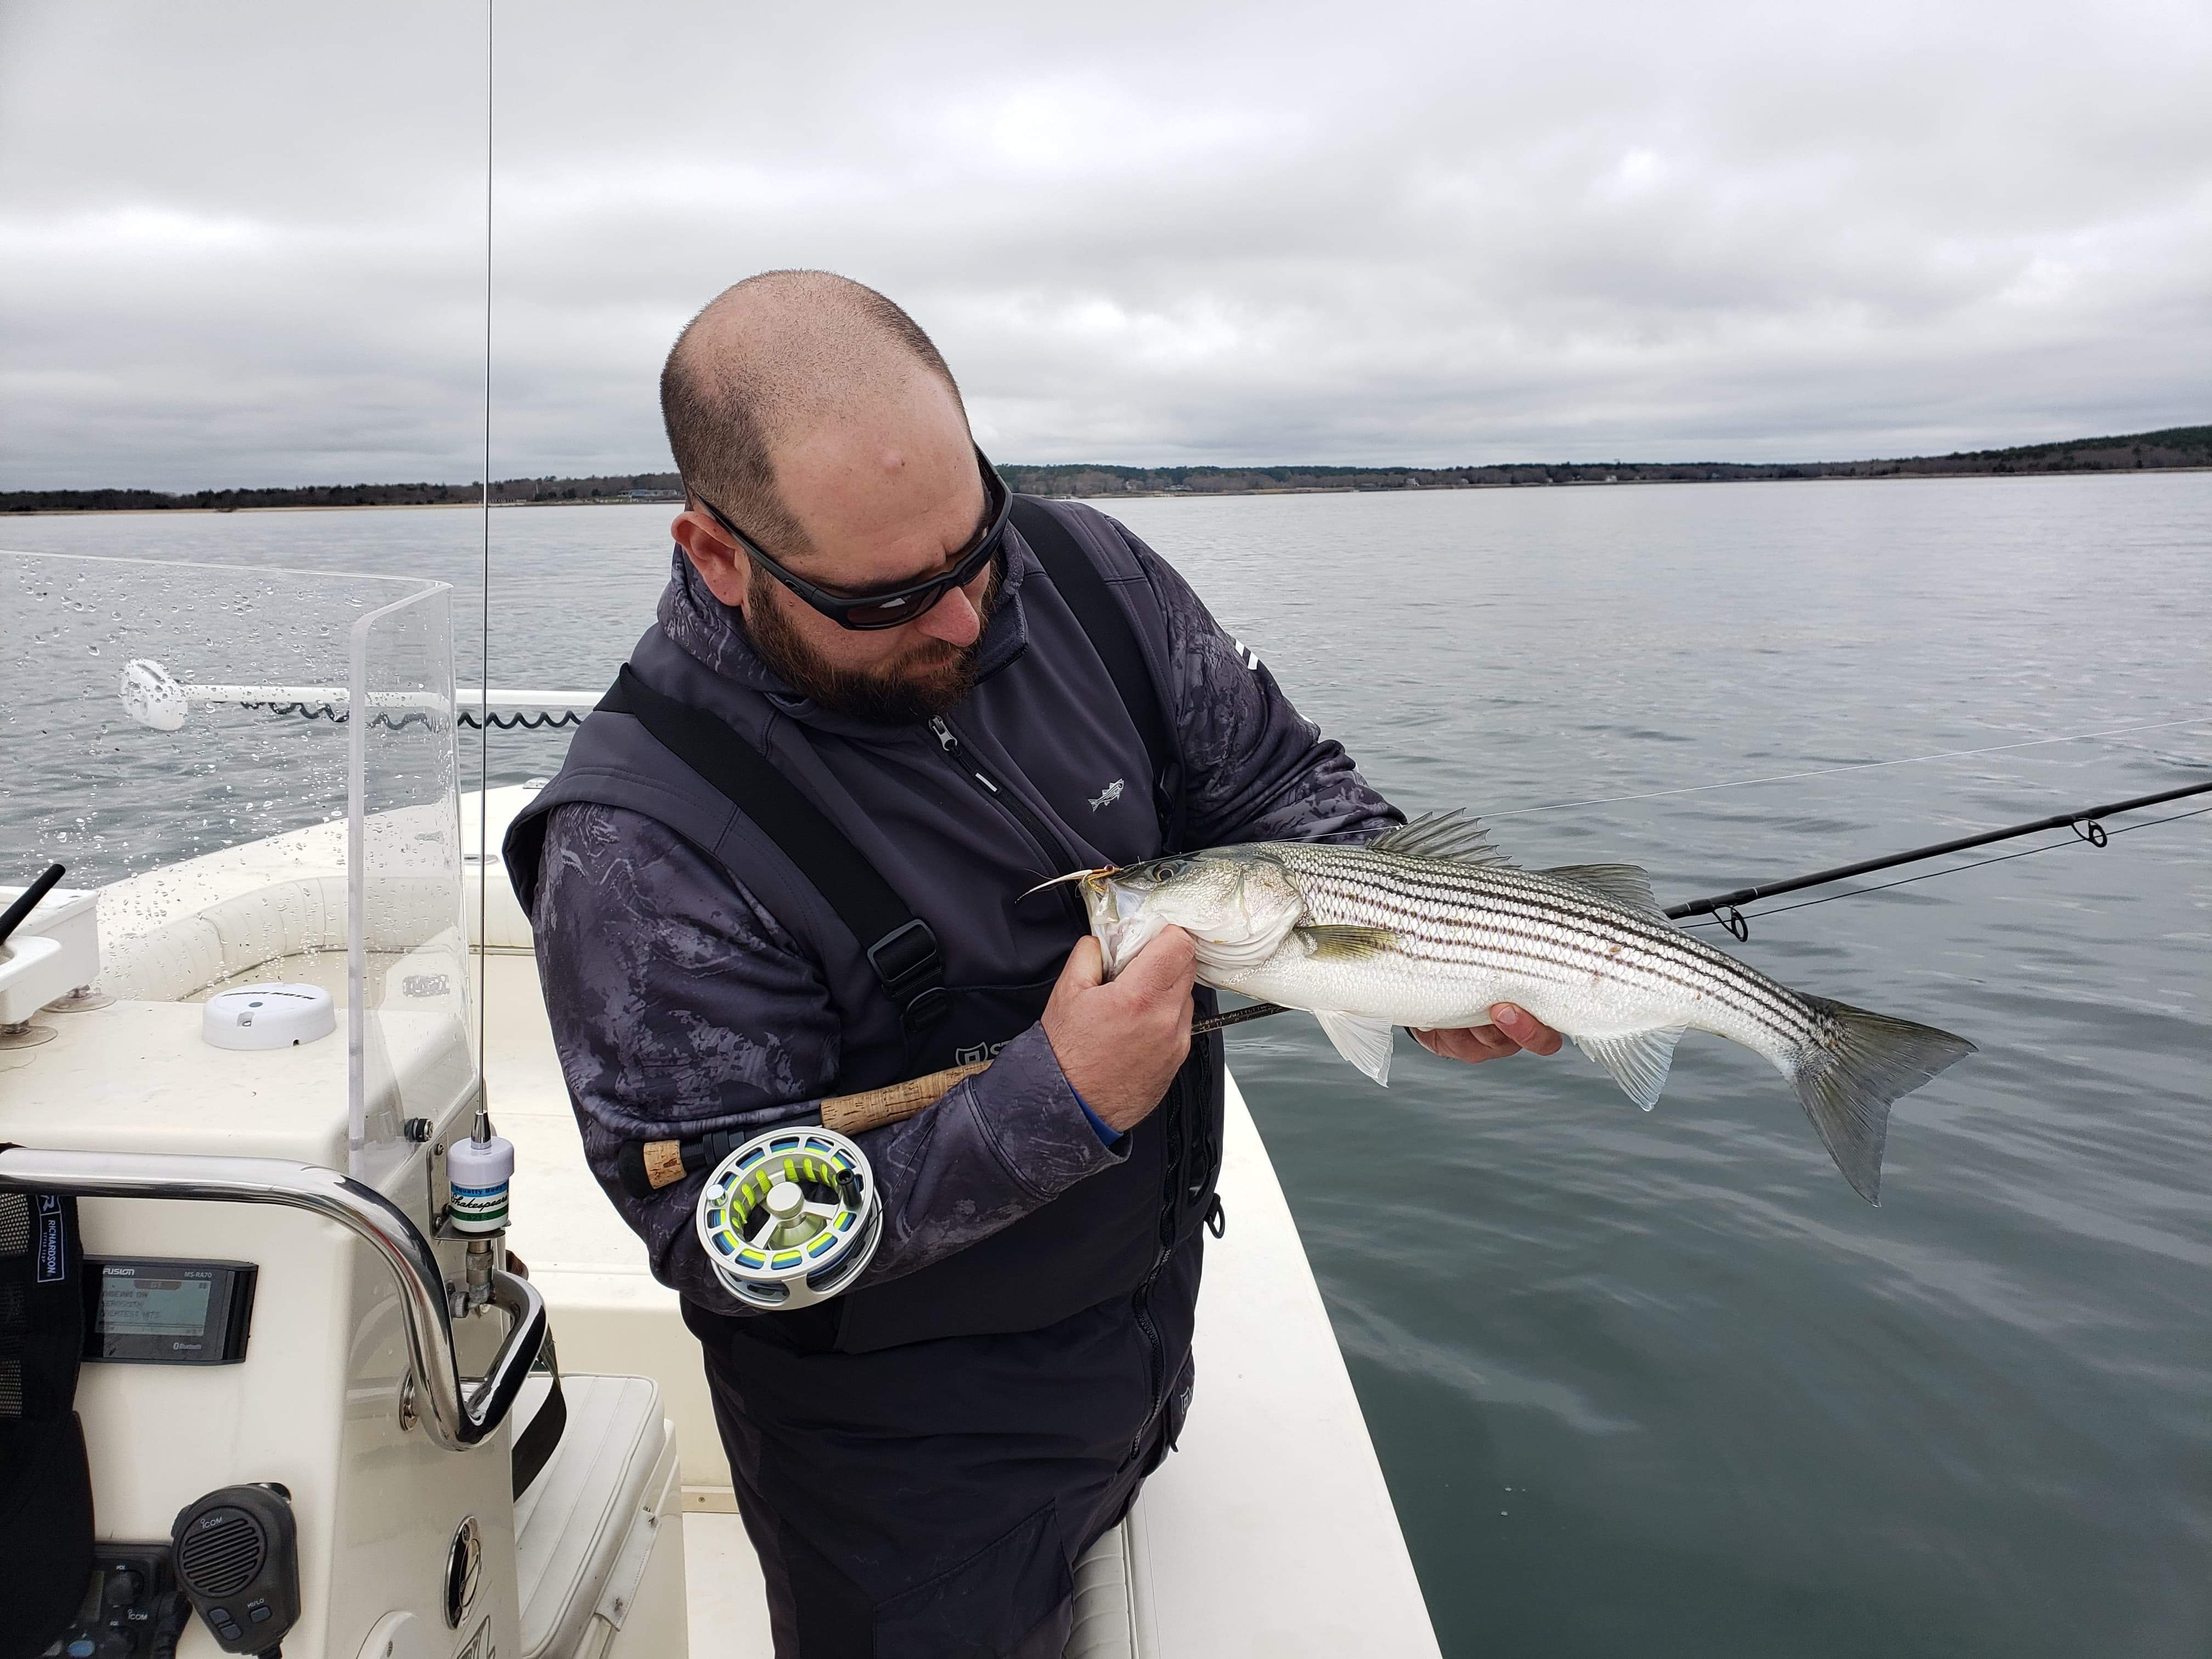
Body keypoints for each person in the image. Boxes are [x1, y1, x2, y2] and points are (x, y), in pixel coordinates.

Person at [504, 269, 1560, 1658]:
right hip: (904, 1469)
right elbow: (733, 1237)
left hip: (1140, 1326)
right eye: (884, 600)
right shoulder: (637, 853)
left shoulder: (1086, 572)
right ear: (719, 556)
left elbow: (1276, 781)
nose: (963, 617)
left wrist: (1410, 947)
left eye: (973, 547)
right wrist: (1056, 1101)